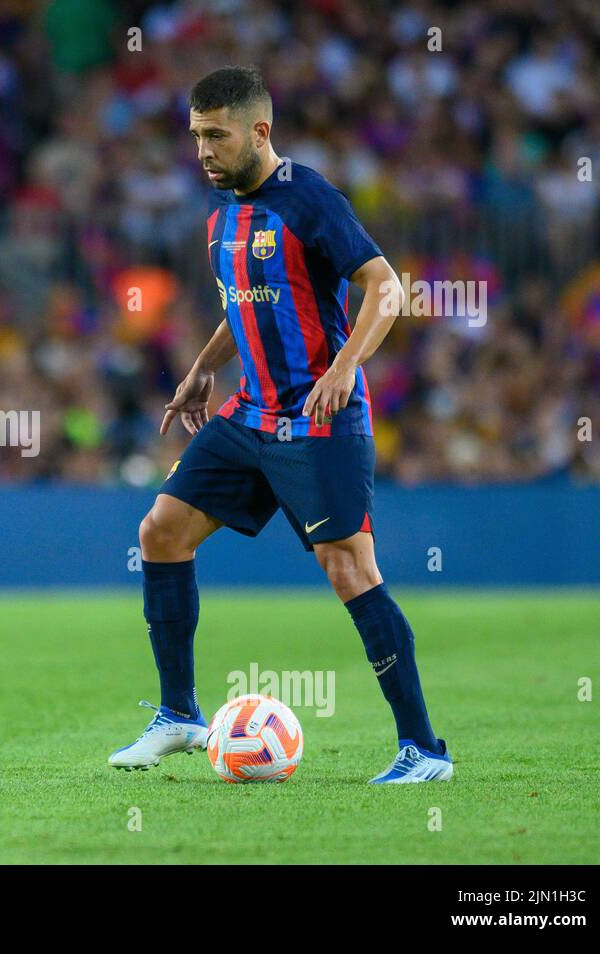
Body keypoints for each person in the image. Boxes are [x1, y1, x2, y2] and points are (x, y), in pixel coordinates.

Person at [108, 67, 451, 784]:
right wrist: (202, 367)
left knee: (349, 569)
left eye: (216, 135)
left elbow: (385, 287)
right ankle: (178, 714)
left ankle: (423, 750)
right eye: (195, 136)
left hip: (319, 416)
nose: (203, 151)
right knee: (160, 532)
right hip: (249, 413)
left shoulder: (309, 198)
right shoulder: (222, 215)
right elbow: (247, 301)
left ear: (259, 131)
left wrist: (343, 369)